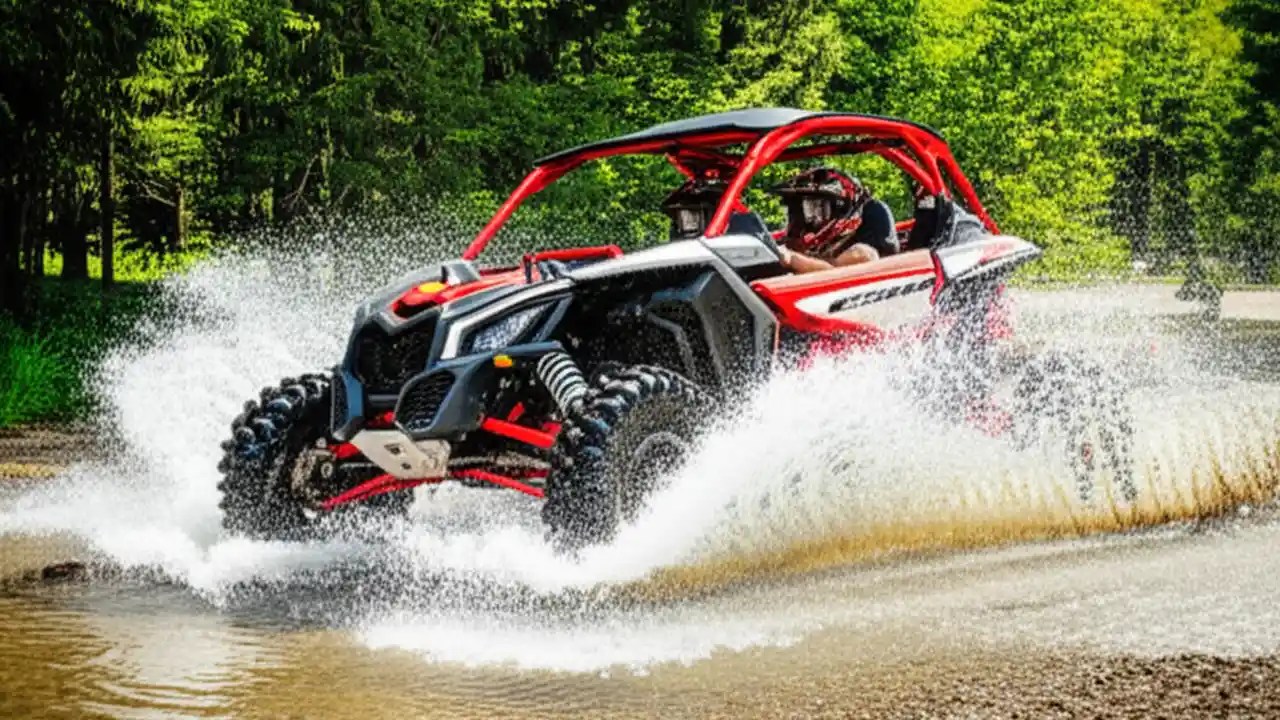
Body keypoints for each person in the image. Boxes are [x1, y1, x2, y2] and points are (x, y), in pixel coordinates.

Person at [768, 167, 898, 273]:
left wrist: (791, 259)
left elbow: (834, 272)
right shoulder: (820, 248)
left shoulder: (862, 252)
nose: (805, 219)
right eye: (800, 210)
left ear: (840, 208)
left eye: (815, 208)